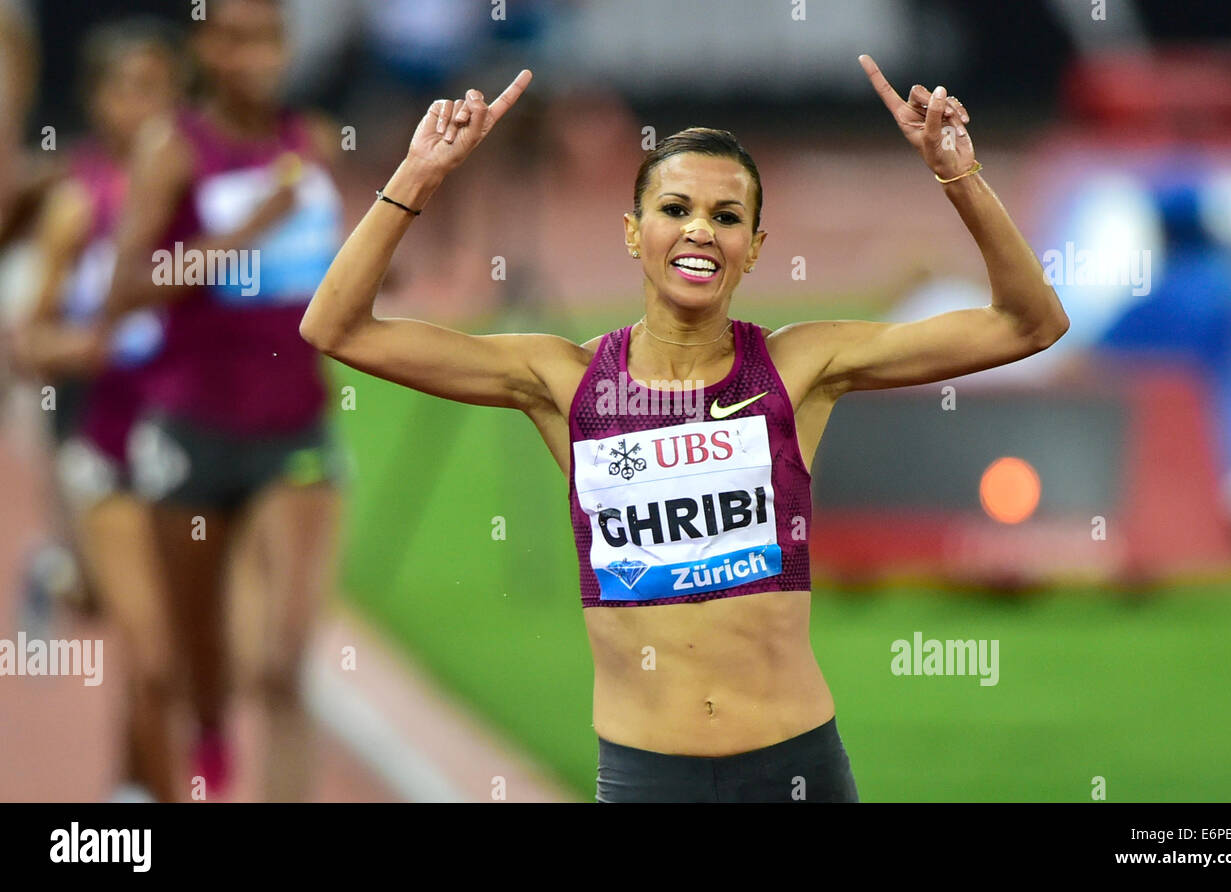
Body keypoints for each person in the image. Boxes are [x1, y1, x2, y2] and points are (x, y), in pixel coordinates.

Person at [300, 56, 1069, 803]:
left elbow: (1029, 323)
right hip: (647, 776)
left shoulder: (803, 367)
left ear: (754, 249)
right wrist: (421, 175)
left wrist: (955, 171)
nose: (700, 231)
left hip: (794, 767)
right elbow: (337, 326)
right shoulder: (561, 382)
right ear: (635, 233)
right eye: (675, 210)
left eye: (726, 216)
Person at [103, 0, 346, 801]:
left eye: (268, 40)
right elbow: (130, 287)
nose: (254, 58)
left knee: (282, 663)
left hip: (297, 427)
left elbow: (333, 269)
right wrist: (244, 237)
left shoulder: (307, 142)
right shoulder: (174, 151)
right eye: (235, 40)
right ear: (206, 47)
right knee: (202, 661)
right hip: (194, 427)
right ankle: (208, 729)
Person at [9, 19, 183, 802]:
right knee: (146, 643)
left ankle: (130, 791)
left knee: (166, 645)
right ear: (97, 99)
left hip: (189, 434)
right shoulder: (78, 202)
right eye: (127, 89)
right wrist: (101, 343)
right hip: (91, 426)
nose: (144, 107)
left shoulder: (200, 193)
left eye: (160, 89)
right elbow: (29, 341)